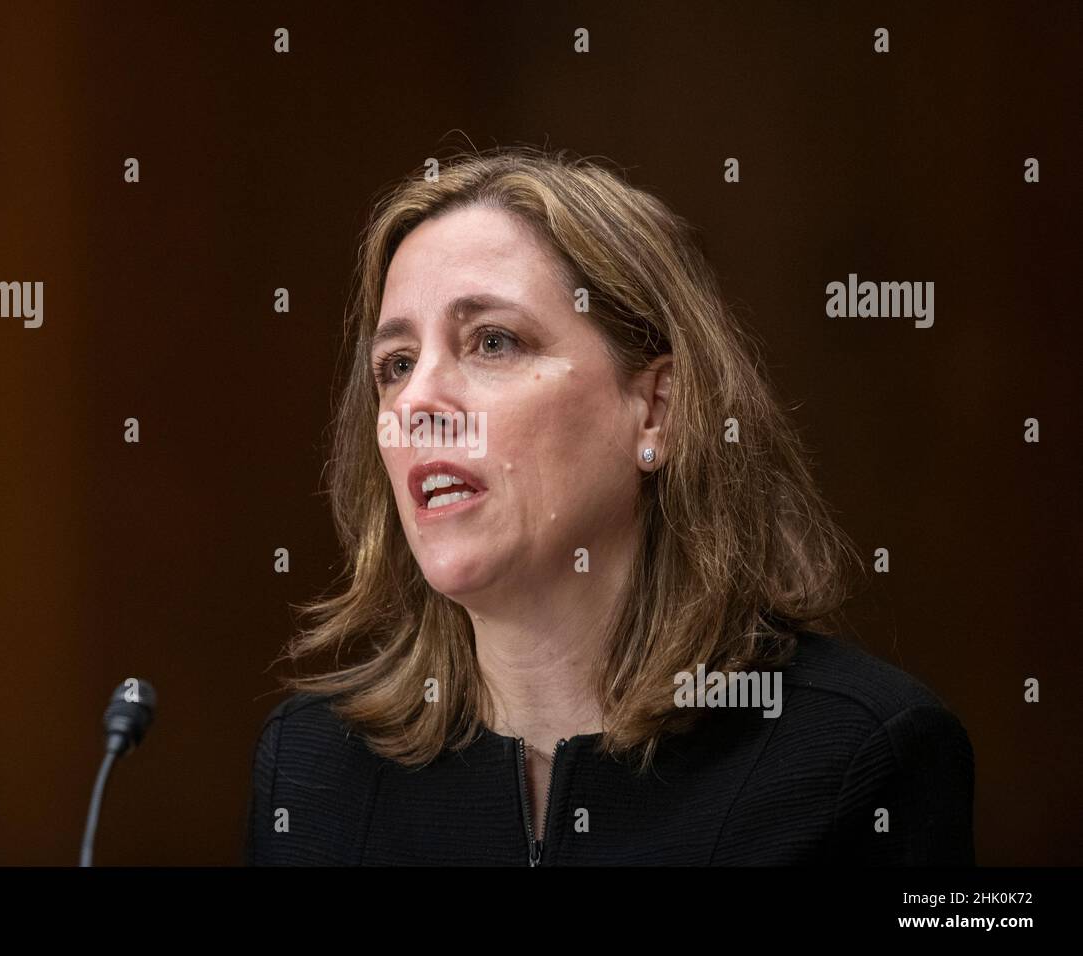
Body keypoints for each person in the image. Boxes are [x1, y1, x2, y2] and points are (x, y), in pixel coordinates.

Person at [243, 145, 974, 865]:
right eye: (396, 365)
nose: (419, 400)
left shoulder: (856, 758)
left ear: (656, 410)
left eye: (492, 342)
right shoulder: (310, 773)